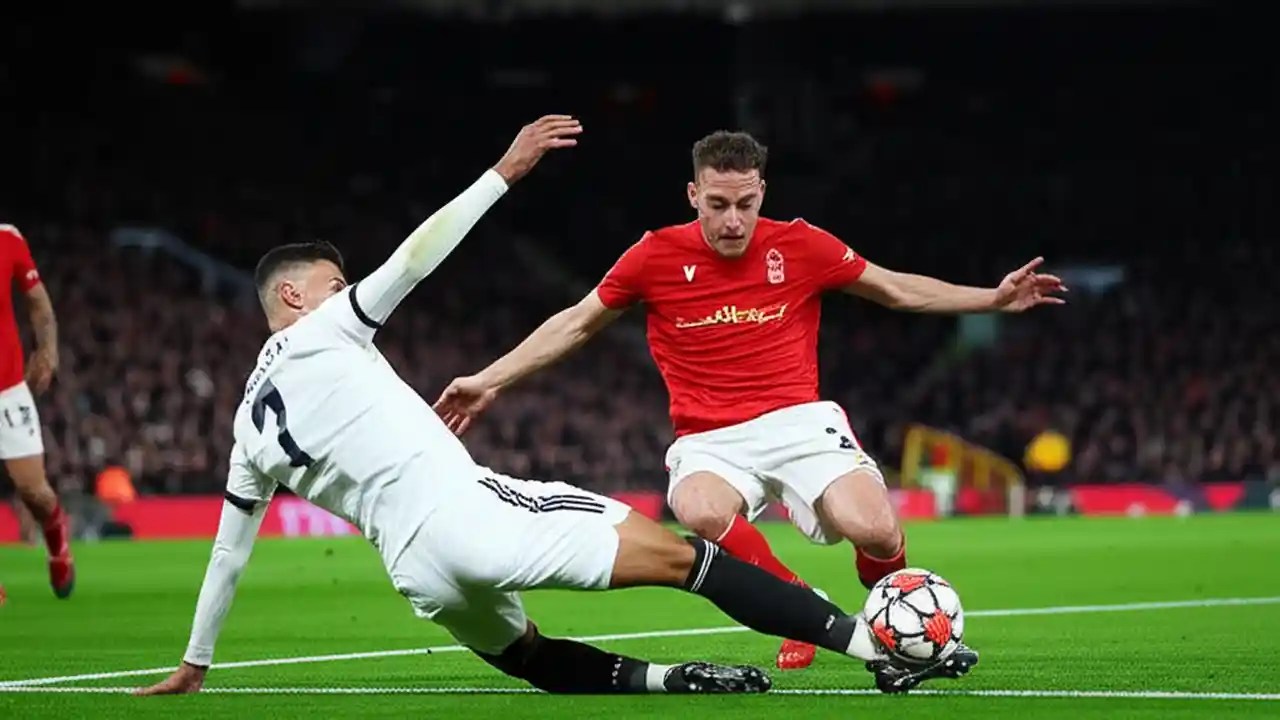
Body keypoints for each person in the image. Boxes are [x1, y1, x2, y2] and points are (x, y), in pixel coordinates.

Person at [137, 116, 938, 698]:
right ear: (293, 295)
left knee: (531, 659)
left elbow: (228, 555)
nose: (344, 294)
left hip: (416, 575)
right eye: (332, 286)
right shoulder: (326, 332)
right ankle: (880, 647)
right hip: (475, 514)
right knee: (694, 563)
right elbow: (413, 260)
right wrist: (503, 173)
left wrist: (196, 660)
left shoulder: (247, 428)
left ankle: (668, 681)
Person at [435, 130, 1065, 673]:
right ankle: (800, 608)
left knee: (875, 528)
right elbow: (574, 323)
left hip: (800, 422)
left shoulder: (801, 245)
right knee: (695, 505)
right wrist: (490, 378)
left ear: (761, 191)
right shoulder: (654, 255)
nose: (732, 220)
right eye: (717, 205)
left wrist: (992, 298)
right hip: (711, 439)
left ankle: (887, 589)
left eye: (744, 203)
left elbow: (896, 289)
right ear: (693, 196)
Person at [0, 224, 74, 599]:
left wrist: (48, 348)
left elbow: (38, 303)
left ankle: (57, 537)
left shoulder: (8, 240)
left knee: (33, 491)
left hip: (7, 391)